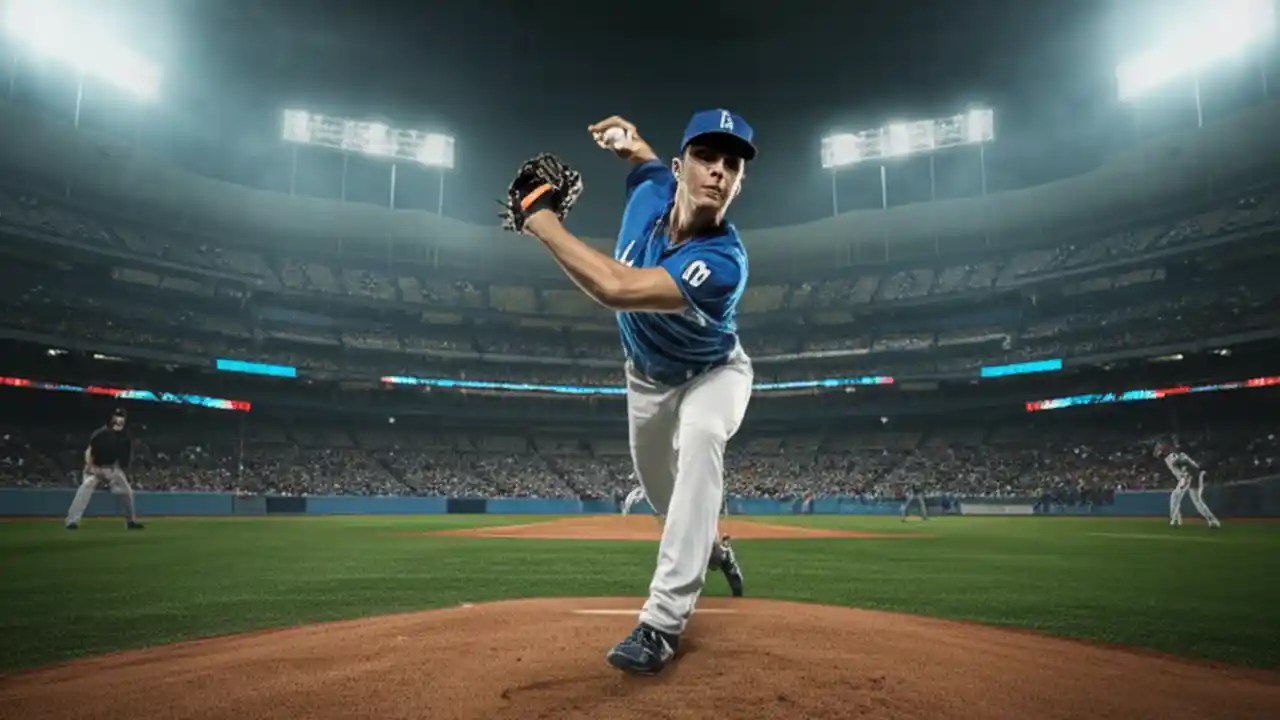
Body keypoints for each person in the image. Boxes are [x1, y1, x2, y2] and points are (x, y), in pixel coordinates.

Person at [519, 109, 755, 674]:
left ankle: (661, 624)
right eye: (706, 156)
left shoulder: (724, 261)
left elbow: (617, 288)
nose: (718, 171)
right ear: (681, 168)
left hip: (714, 375)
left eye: (732, 164)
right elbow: (647, 161)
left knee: (701, 435)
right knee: (662, 498)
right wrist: (627, 140)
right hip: (645, 381)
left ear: (739, 183)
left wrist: (540, 219)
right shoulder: (652, 191)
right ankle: (716, 548)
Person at [64, 408, 144, 530]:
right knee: (86, 486)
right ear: (111, 419)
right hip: (95, 468)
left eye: (122, 417)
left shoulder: (125, 438)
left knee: (127, 491)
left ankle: (130, 522)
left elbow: (123, 462)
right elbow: (89, 451)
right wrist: (90, 467)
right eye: (117, 416)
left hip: (111, 469)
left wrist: (115, 477)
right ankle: (72, 521)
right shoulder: (100, 433)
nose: (119, 419)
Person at [1156, 442, 1221, 528]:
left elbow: (1184, 465)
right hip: (1192, 475)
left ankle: (1175, 520)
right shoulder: (1174, 456)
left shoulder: (1172, 457)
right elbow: (1188, 464)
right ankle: (1212, 521)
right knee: (1196, 502)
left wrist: (1186, 478)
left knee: (1176, 497)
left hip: (1189, 477)